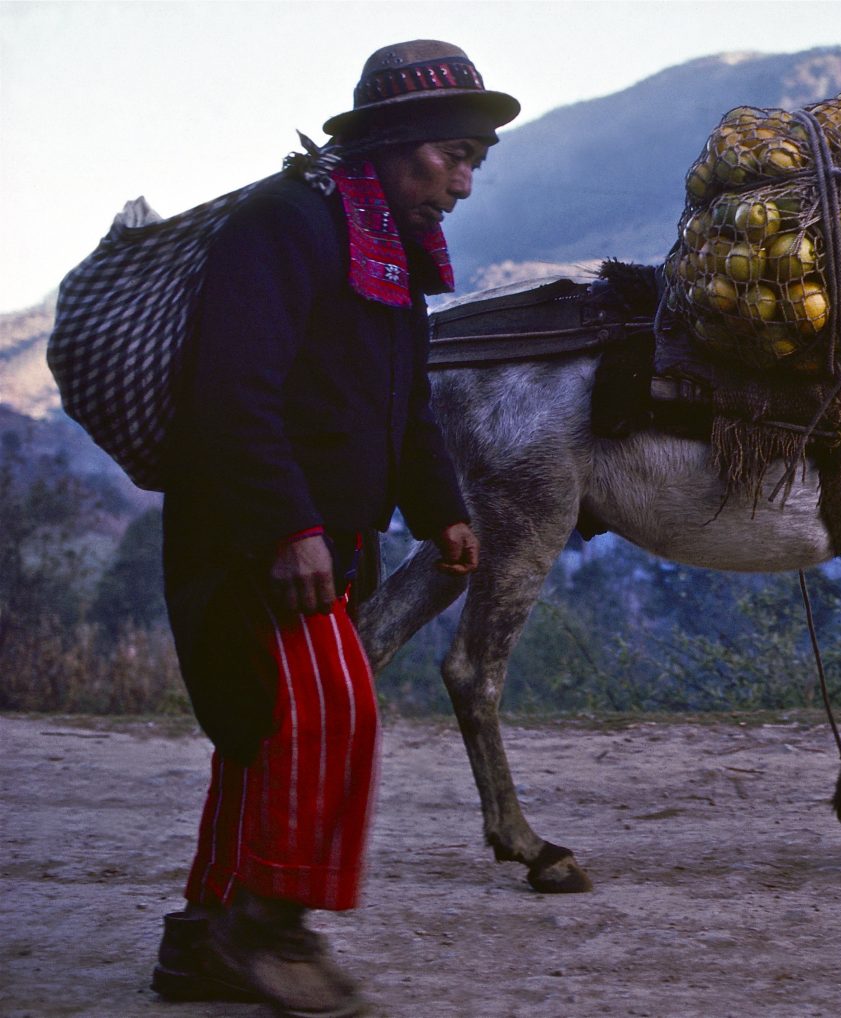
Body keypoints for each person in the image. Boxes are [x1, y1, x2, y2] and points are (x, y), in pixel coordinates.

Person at [149, 40, 518, 1017]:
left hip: (329, 541)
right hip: (254, 540)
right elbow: (233, 392)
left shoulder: (388, 250)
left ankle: (198, 941)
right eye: (455, 157)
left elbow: (405, 408)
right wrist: (286, 527)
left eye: (475, 162)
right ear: (397, 143)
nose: (465, 184)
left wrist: (442, 511)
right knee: (330, 718)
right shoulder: (284, 225)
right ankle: (269, 929)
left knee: (261, 735)